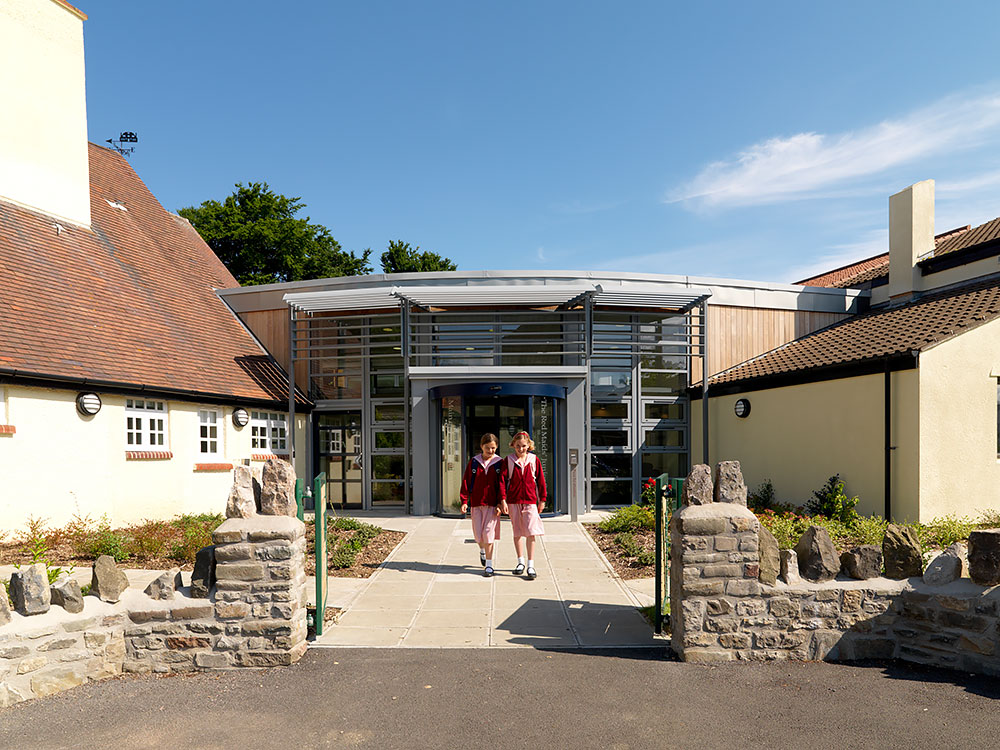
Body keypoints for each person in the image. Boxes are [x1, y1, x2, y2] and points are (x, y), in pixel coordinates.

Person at [499, 430, 545, 580]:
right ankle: (520, 562)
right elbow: (502, 481)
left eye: (523, 446)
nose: (520, 449)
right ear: (513, 445)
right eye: (518, 446)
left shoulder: (534, 460)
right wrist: (503, 500)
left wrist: (542, 500)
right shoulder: (509, 460)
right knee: (517, 532)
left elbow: (541, 481)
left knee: (531, 532)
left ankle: (531, 565)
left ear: (528, 446)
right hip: (513, 501)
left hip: (530, 501)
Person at [459, 433, 505, 577]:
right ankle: (482, 550)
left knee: (488, 534)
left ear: (496, 447)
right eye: (487, 448)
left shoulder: (499, 463)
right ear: (481, 447)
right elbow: (466, 481)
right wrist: (464, 501)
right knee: (479, 536)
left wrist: (500, 502)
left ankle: (489, 566)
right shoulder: (473, 462)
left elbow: (503, 485)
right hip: (476, 504)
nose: (490, 451)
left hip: (492, 505)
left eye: (493, 448)